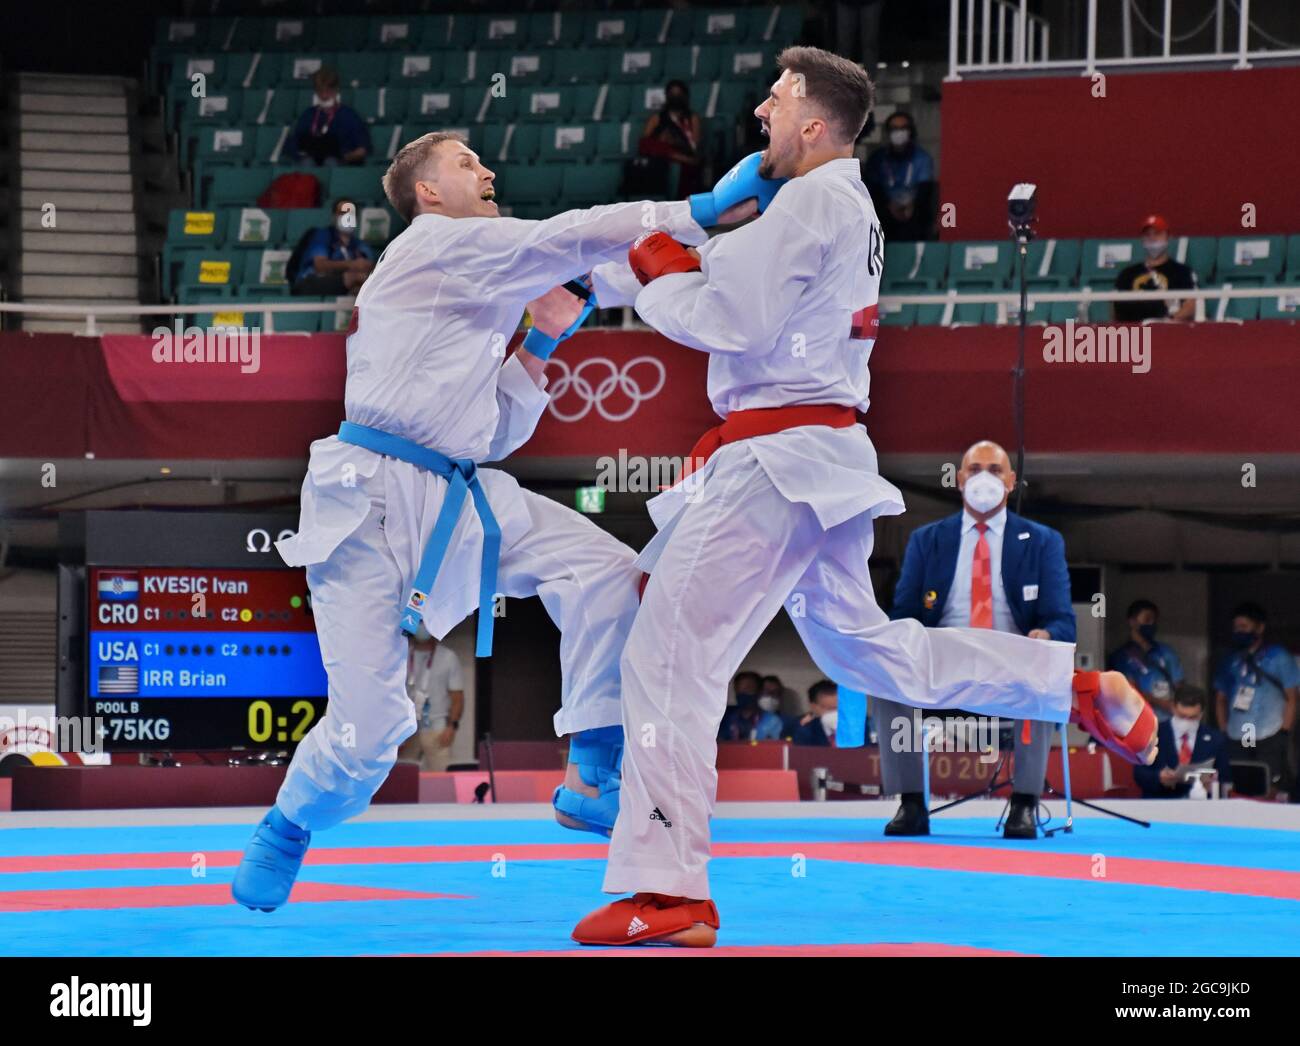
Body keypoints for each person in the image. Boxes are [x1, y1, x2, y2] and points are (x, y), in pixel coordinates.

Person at [572, 47, 1157, 948]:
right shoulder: (832, 203)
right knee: (871, 655)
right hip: (816, 454)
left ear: (812, 121)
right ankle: (1064, 685)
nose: (759, 111)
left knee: (670, 654)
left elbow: (733, 319)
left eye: (775, 98)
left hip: (781, 458)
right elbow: (739, 285)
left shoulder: (813, 199)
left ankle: (668, 889)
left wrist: (657, 273)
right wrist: (654, 257)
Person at [231, 129, 764, 911]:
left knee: (609, 573)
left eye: (482, 159)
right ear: (427, 193)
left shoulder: (478, 288)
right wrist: (697, 209)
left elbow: (495, 438)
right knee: (372, 729)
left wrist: (542, 337)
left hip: (457, 491)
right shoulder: (432, 248)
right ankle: (288, 824)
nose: (486, 170)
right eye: (465, 162)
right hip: (367, 499)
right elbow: (567, 234)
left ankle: (592, 768)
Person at [876, 439, 1075, 841]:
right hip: (943, 664)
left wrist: (1045, 634)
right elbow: (903, 615)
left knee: (1044, 671)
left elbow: (1063, 621)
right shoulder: (927, 540)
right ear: (960, 478)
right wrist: (909, 643)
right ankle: (912, 803)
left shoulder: (1043, 541)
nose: (986, 477)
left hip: (1011, 668)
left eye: (997, 470)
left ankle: (1024, 804)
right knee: (885, 677)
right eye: (976, 468)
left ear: (1012, 482)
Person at [1213, 603, 1297, 799]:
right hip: (1242, 730)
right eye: (1236, 627)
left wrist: (1284, 732)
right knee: (1241, 779)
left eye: (1244, 627)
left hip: (1270, 730)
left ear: (1259, 628)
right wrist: (1224, 729)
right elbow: (1220, 698)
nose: (1239, 631)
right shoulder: (1230, 660)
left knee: (1269, 781)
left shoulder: (1278, 656)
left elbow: (1292, 697)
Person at [1133, 688, 1232, 799]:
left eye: (1192, 717)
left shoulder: (1216, 739)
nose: (1186, 721)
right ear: (1173, 708)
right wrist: (1159, 777)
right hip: (1160, 802)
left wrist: (1213, 785)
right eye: (1182, 716)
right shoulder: (1154, 733)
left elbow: (1225, 779)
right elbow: (1139, 773)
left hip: (1201, 806)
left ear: (1201, 714)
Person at [396, 624, 464, 772]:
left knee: (441, 778)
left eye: (425, 623)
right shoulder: (401, 655)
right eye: (419, 622)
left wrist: (452, 727)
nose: (422, 627)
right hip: (407, 730)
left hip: (437, 729)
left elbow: (457, 696)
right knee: (403, 777)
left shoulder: (448, 657)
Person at [863, 111, 935, 241]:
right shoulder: (878, 159)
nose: (899, 132)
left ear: (911, 131)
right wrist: (889, 205)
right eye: (894, 129)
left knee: (922, 214)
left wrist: (911, 206)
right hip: (885, 213)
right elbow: (873, 189)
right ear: (888, 132)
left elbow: (925, 188)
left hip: (914, 212)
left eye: (903, 128)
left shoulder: (921, 158)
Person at [1108, 599, 1184, 720]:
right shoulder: (1121, 657)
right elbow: (1129, 691)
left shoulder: (1166, 653)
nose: (1151, 624)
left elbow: (1179, 686)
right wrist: (1161, 703)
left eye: (1154, 620)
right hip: (1138, 721)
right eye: (1147, 619)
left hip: (1169, 720)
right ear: (1132, 622)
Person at [1113, 215, 1196, 322]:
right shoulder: (1127, 274)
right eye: (1147, 234)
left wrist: (1168, 322)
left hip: (1168, 332)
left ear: (1168, 237)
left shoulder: (1182, 272)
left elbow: (1190, 305)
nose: (1152, 238)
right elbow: (1115, 309)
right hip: (1133, 333)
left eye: (1157, 233)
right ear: (1142, 239)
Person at [288, 197, 375, 296]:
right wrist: (351, 264)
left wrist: (364, 266)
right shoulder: (322, 236)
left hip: (342, 287)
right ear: (334, 217)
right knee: (354, 277)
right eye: (342, 213)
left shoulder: (360, 244)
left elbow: (369, 266)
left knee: (363, 283)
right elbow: (320, 265)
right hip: (310, 283)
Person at [290, 66, 370, 166]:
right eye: (320, 91)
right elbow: (295, 144)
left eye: (328, 91)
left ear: (336, 90)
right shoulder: (308, 115)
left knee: (330, 162)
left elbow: (362, 149)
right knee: (307, 163)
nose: (324, 96)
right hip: (311, 161)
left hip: (339, 162)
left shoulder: (349, 116)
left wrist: (346, 157)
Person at [637, 80, 705, 197]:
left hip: (683, 154)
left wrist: (675, 141)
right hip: (661, 158)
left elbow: (695, 144)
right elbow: (645, 142)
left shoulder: (692, 118)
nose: (675, 97)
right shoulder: (657, 118)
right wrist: (662, 139)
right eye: (672, 93)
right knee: (651, 146)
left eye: (678, 93)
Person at [718, 671, 783, 741]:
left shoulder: (772, 721)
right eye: (739, 690)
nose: (743, 694)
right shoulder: (725, 718)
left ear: (759, 691)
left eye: (748, 689)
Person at [791, 680, 838, 746]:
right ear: (813, 706)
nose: (834, 713)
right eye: (829, 709)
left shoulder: (854, 729)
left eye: (838, 709)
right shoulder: (806, 732)